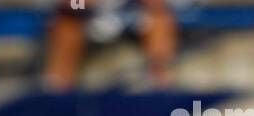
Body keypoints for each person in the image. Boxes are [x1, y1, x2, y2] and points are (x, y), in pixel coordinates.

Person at [43, 0, 178, 90]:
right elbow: (72, 5)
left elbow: (156, 4)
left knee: (159, 19)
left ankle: (159, 84)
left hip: (130, 15)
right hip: (85, 17)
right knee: (67, 26)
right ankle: (58, 87)